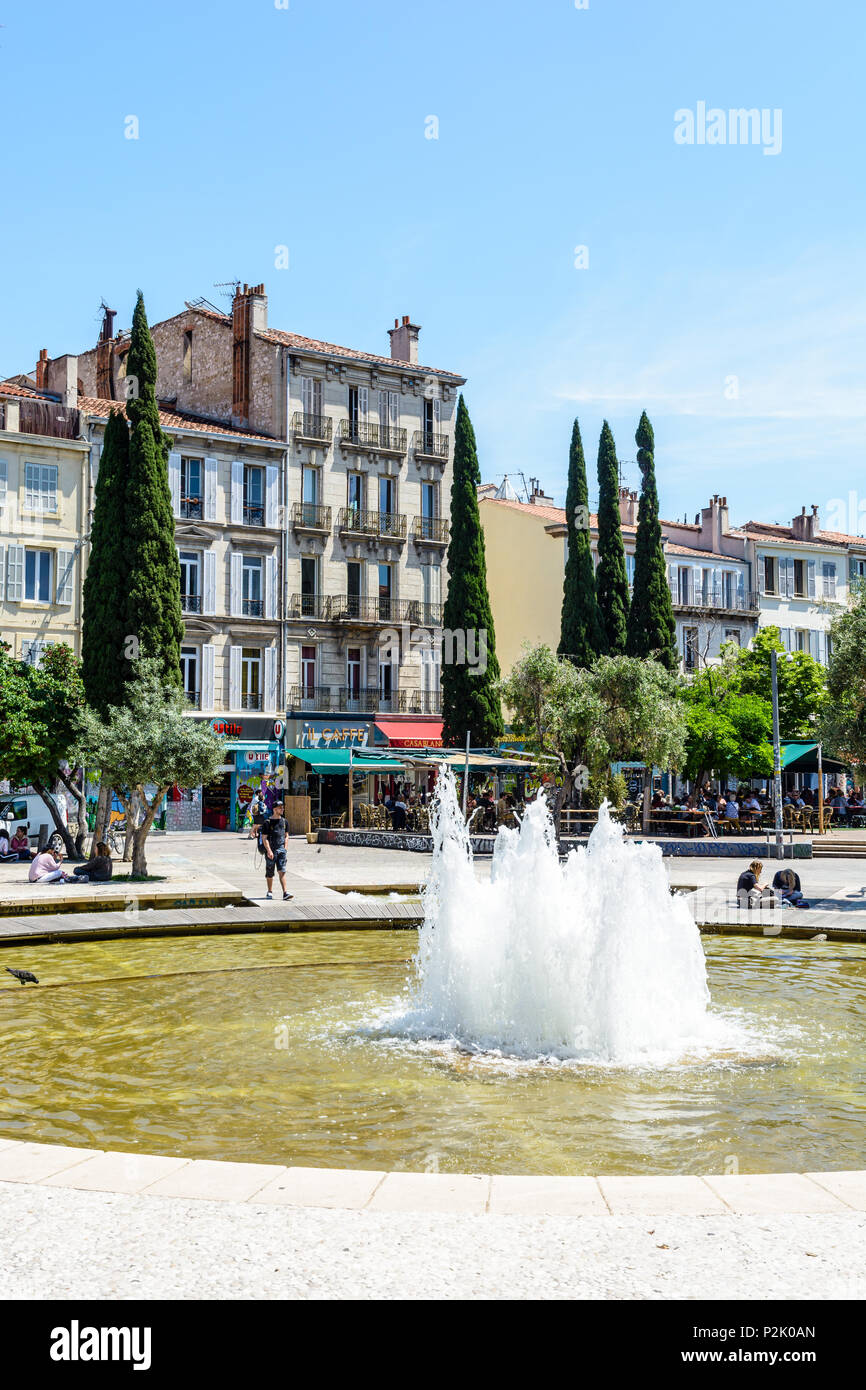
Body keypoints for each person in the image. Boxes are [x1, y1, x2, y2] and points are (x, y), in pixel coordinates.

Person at [259, 803, 293, 901]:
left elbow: (286, 835)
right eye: (280, 808)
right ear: (274, 809)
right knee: (270, 871)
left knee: (282, 870)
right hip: (271, 850)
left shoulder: (284, 821)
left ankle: (285, 893)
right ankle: (269, 891)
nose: (282, 809)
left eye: (283, 808)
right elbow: (264, 838)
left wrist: (285, 848)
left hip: (281, 850)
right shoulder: (267, 822)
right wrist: (269, 851)